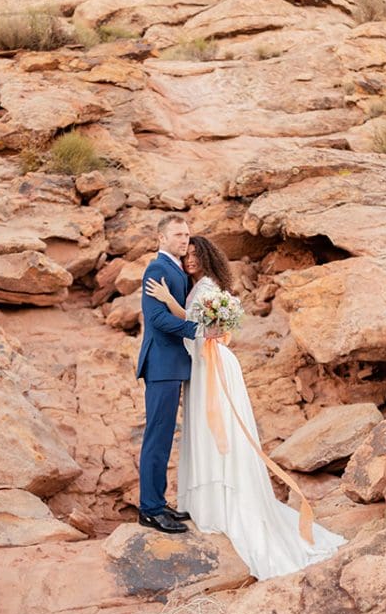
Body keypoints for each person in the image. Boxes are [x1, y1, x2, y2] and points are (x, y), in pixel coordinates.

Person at [145, 235, 346, 580]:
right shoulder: (198, 286)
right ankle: (207, 503)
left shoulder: (207, 286)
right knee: (205, 432)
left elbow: (204, 329)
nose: (190, 259)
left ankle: (226, 506)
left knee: (219, 429)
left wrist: (166, 300)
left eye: (196, 253)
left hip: (214, 365)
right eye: (187, 254)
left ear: (207, 257)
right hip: (202, 366)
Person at [136, 215, 198, 534]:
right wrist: (196, 329)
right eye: (177, 234)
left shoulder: (176, 267)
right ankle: (149, 509)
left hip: (172, 364)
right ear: (161, 238)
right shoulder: (158, 268)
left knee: (163, 437)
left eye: (187, 234)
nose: (184, 239)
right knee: (157, 438)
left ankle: (158, 503)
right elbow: (157, 319)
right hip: (160, 364)